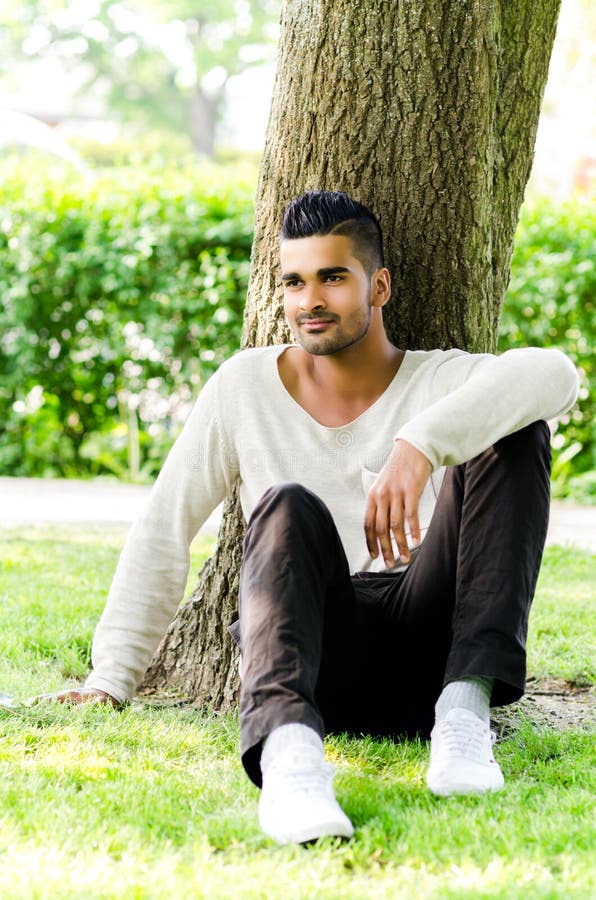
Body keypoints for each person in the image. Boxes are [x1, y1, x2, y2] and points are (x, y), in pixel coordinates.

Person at [54, 191, 579, 845]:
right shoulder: (244, 386)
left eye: (333, 276)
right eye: (295, 281)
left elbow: (555, 375)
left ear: (378, 285)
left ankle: (466, 718)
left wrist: (420, 444)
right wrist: (112, 679)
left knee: (515, 430)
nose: (310, 301)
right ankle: (290, 760)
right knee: (283, 503)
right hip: (314, 659)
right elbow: (166, 524)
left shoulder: (438, 379)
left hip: (429, 650)